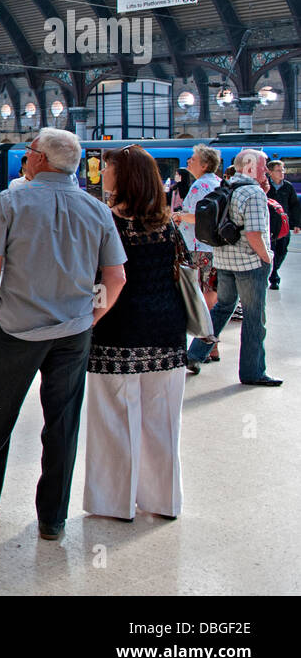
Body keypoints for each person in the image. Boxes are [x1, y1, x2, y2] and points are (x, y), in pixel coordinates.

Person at [0, 127, 127, 541]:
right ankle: (52, 519)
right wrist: (93, 316)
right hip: (73, 332)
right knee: (62, 422)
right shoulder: (97, 210)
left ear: (40, 158)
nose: (26, 156)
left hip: (16, 330)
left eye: (29, 150)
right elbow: (115, 275)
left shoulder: (12, 201)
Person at [84, 146, 188, 521]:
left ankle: (115, 502)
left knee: (114, 418)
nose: (102, 171)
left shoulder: (108, 221)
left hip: (118, 330)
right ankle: (163, 500)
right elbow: (186, 272)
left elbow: (103, 277)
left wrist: (91, 318)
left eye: (108, 167)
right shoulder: (168, 224)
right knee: (163, 422)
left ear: (124, 176)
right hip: (167, 331)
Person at [185, 149, 280, 385]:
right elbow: (254, 233)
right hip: (249, 264)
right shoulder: (253, 193)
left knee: (222, 308)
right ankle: (253, 371)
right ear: (253, 166)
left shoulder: (226, 186)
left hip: (224, 261)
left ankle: (195, 354)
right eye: (264, 164)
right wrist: (267, 257)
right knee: (254, 317)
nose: (266, 169)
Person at [172, 144, 222, 361]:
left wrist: (179, 216)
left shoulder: (198, 186)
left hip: (197, 246)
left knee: (199, 296)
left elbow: (196, 216)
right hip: (213, 247)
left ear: (204, 164)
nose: (188, 161)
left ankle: (206, 344)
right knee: (210, 292)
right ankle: (211, 345)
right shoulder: (218, 183)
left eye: (193, 158)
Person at [266, 160, 301, 290]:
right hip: (269, 224)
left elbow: (294, 206)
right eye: (279, 170)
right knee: (271, 249)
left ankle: (274, 269)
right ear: (270, 172)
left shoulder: (288, 187)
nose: (282, 173)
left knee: (282, 250)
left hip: (283, 226)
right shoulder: (265, 186)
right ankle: (274, 276)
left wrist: (297, 223)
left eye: (283, 170)